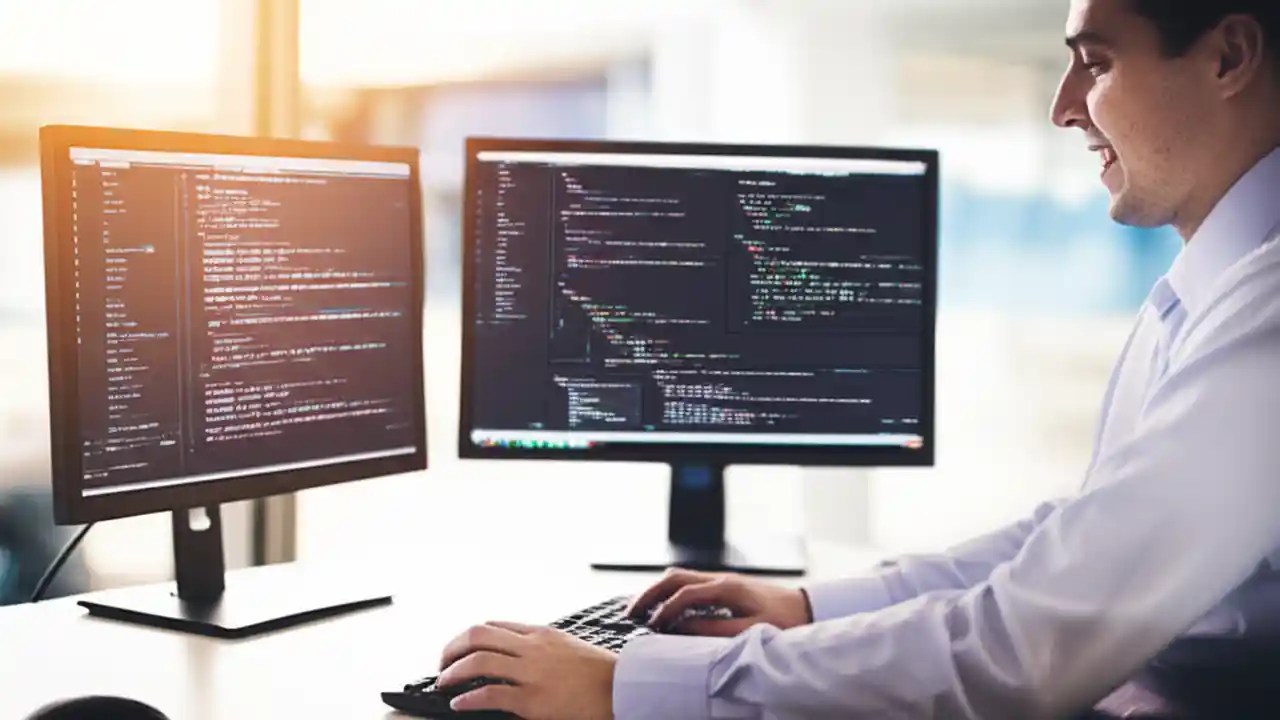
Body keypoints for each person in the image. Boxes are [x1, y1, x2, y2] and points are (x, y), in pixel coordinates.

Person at [436, 0, 1280, 716]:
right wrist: (808, 606)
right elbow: (1080, 542)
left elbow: (1027, 643)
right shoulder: (1216, 287)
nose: (1063, 108)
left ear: (1229, 58)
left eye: (1095, 64)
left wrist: (629, 688)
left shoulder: (1266, 313)